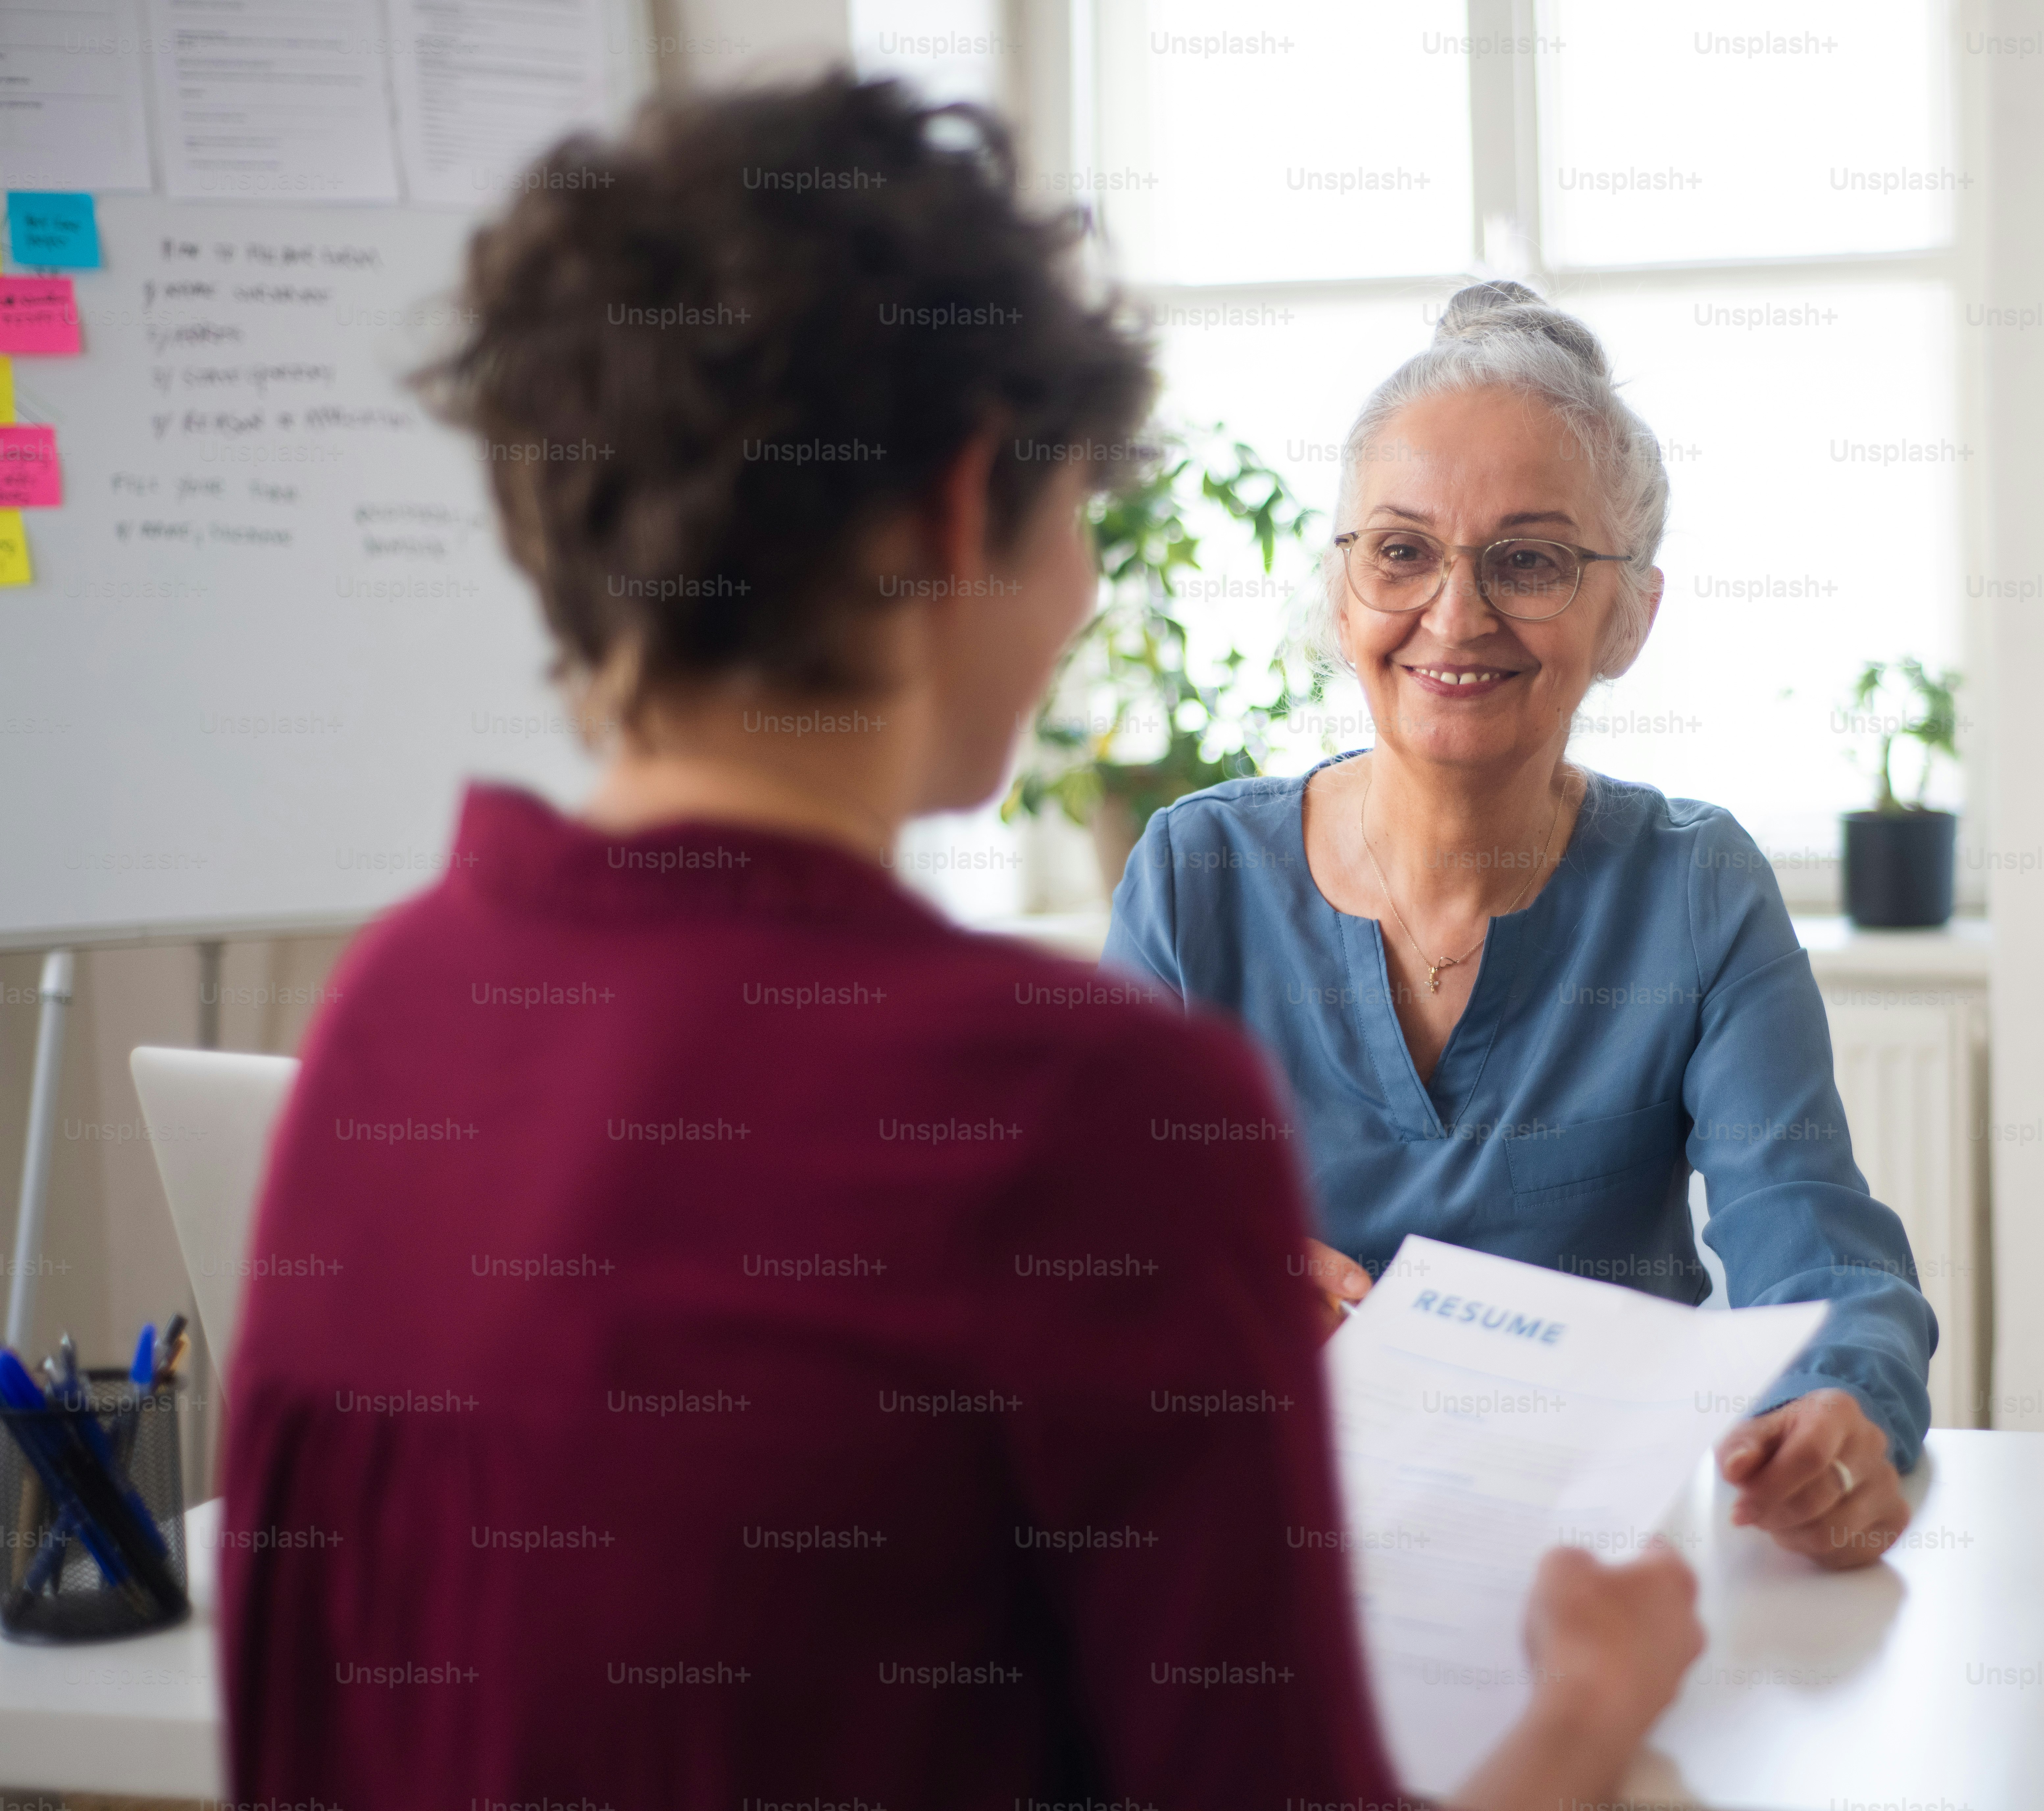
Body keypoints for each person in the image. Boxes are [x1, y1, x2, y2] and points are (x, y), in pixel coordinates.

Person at [219, 79, 1700, 1810]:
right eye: (1073, 512)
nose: (1079, 590)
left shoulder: (392, 1015)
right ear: (955, 510)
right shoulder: (1082, 1115)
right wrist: (1593, 1712)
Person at [1105, 282, 1939, 1568]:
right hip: (1263, 1560)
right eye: (1401, 550)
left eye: (1531, 558)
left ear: (1630, 615)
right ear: (1343, 590)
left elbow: (1815, 1240)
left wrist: (1846, 1405)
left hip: (1590, 1574)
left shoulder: (1699, 887)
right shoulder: (1195, 876)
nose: (1457, 612)